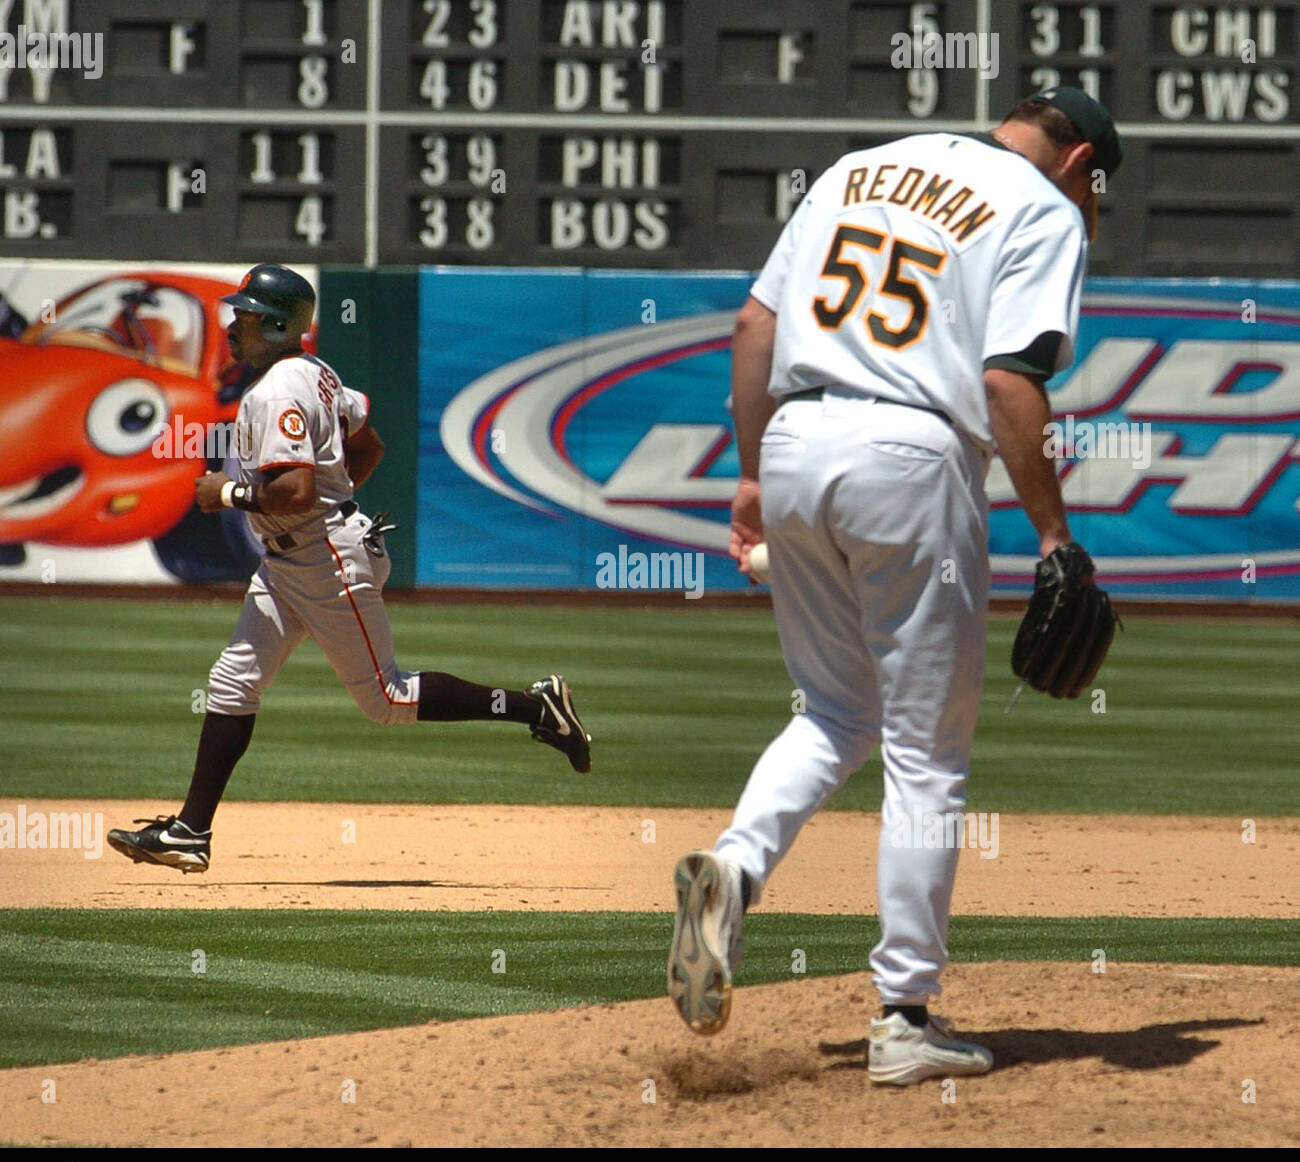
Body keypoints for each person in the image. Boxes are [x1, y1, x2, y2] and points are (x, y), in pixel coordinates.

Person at [667, 89, 1121, 1084]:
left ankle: (732, 872)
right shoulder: (1042, 206)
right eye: (1099, 191)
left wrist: (751, 473)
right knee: (926, 751)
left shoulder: (857, 169)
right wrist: (1055, 537)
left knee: (833, 709)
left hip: (796, 436)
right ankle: (905, 1014)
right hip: (912, 450)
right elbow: (1006, 382)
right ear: (1080, 161)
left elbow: (753, 324)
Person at [108, 264, 591, 875]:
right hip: (295, 556)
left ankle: (536, 707)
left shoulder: (278, 391)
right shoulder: (317, 373)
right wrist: (331, 507)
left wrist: (227, 495)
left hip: (322, 557)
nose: (233, 325)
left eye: (247, 316)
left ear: (277, 325)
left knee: (388, 697)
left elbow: (297, 490)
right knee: (231, 685)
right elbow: (368, 445)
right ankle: (190, 833)